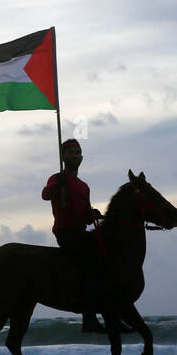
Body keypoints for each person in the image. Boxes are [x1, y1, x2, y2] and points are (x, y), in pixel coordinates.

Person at [42, 139, 108, 333]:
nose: (75, 155)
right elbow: (45, 195)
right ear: (63, 157)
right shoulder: (56, 178)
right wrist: (57, 186)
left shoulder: (84, 186)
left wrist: (92, 214)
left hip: (80, 231)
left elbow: (86, 215)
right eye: (70, 152)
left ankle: (110, 311)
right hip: (65, 232)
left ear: (82, 157)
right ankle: (89, 318)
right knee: (90, 264)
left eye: (77, 152)